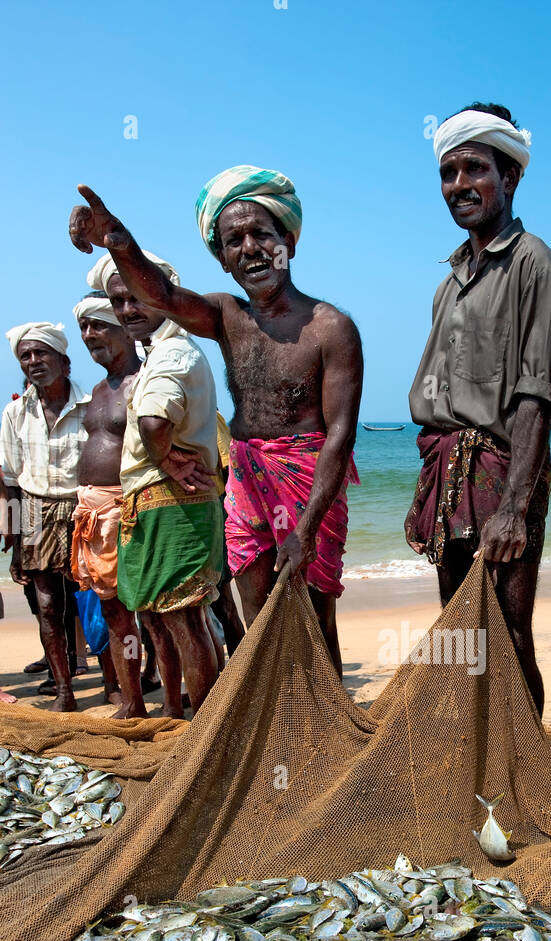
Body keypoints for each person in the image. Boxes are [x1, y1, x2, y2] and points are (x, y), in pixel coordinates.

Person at [69, 168, 362, 675]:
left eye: (262, 235)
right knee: (257, 607)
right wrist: (117, 241)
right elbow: (160, 294)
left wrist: (307, 528)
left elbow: (339, 435)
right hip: (247, 477)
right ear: (223, 260)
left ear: (288, 242)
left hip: (308, 478)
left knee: (314, 612)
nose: (250, 248)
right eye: (234, 241)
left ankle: (331, 730)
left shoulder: (330, 328)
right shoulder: (227, 315)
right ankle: (277, 722)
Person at [405, 103, 551, 714]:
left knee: (507, 629)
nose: (459, 186)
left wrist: (514, 509)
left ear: (511, 177)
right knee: (460, 632)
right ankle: (475, 754)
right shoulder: (449, 281)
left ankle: (524, 764)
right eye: (448, 173)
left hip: (505, 471)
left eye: (475, 169)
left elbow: (538, 397)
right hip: (449, 470)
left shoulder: (536, 264)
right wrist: (429, 486)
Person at [83, 250, 223, 715]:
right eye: (118, 302)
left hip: (173, 505)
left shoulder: (173, 353)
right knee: (169, 619)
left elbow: (153, 422)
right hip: (158, 504)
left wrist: (167, 461)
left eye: (136, 296)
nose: (127, 310)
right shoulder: (161, 352)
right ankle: (186, 719)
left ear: (161, 294)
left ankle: (205, 731)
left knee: (184, 620)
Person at [0, 323, 90, 711]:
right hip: (33, 508)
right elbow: (9, 478)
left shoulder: (92, 405)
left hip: (83, 505)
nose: (34, 361)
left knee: (97, 600)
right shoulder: (15, 411)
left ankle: (120, 686)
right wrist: (14, 531)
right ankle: (64, 689)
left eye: (42, 353)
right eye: (26, 355)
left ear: (65, 363)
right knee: (48, 604)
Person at [71, 293, 149, 717]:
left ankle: (176, 703)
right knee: (113, 611)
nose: (88, 335)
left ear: (124, 328)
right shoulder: (100, 390)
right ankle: (132, 700)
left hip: (132, 507)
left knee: (153, 611)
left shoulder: (147, 378)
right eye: (83, 328)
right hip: (92, 512)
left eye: (97, 325)